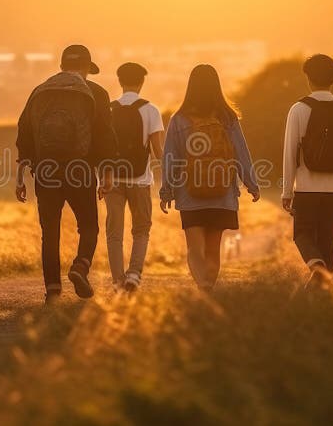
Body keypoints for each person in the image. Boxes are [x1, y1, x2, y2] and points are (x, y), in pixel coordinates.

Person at [15, 45, 117, 303]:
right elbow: (105, 135)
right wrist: (106, 172)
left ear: (61, 66)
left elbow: (24, 132)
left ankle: (52, 291)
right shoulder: (96, 93)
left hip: (46, 170)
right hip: (79, 168)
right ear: (86, 68)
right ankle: (80, 267)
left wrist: (21, 173)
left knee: (49, 230)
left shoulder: (40, 91)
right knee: (89, 226)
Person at [160, 64, 260, 291]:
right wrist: (251, 184)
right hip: (222, 193)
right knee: (213, 250)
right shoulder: (228, 117)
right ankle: (208, 288)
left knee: (195, 249)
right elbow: (240, 152)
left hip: (189, 194)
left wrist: (167, 190)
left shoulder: (180, 119)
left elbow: (171, 157)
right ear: (216, 86)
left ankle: (202, 288)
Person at [281, 54, 333, 289]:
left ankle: (316, 270)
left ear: (308, 78)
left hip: (307, 188)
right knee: (329, 242)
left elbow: (289, 153)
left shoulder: (298, 109)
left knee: (302, 234)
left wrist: (287, 191)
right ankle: (322, 289)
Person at [104, 62, 165, 292]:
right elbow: (158, 151)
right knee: (141, 229)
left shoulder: (108, 110)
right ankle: (134, 275)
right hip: (140, 180)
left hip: (112, 179)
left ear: (120, 82)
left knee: (114, 233)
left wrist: (104, 176)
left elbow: (103, 149)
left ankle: (118, 282)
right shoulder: (151, 110)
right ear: (142, 82)